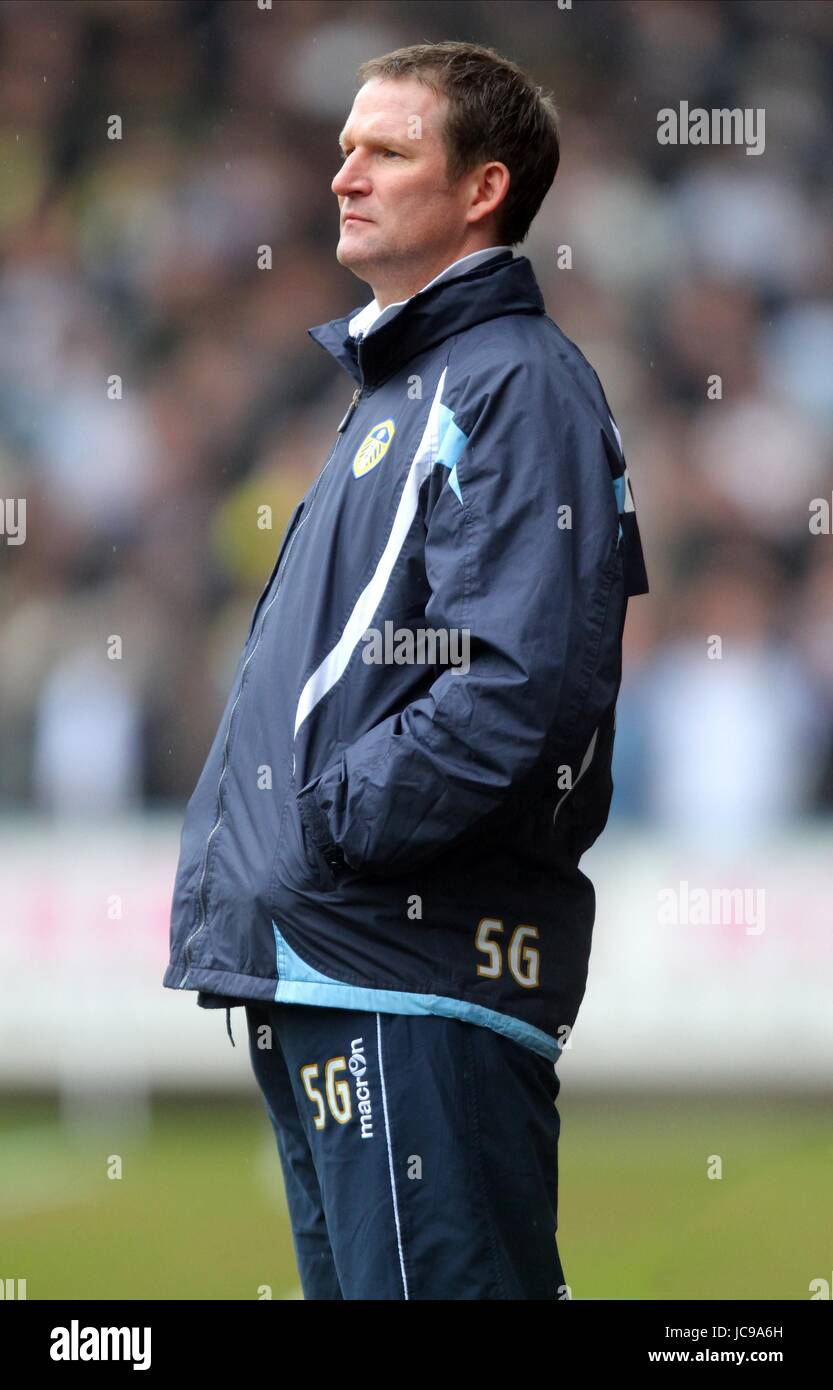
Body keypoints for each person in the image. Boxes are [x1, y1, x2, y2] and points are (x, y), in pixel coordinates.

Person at [163, 39, 649, 1300]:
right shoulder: (403, 385)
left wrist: (329, 836)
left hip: (405, 962)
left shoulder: (512, 386)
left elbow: (512, 686)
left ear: (482, 187)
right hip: (340, 954)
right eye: (341, 149)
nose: (342, 175)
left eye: (383, 150)